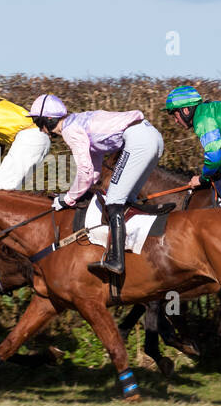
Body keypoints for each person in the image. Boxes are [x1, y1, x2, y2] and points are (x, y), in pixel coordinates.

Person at [28, 94, 164, 276]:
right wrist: (80, 191)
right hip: (153, 136)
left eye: (38, 122)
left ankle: (116, 260)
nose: (40, 129)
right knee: (127, 199)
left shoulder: (70, 130)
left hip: (139, 140)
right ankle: (139, 249)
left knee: (114, 200)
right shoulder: (78, 122)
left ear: (49, 119)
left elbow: (85, 172)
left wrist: (67, 199)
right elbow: (93, 171)